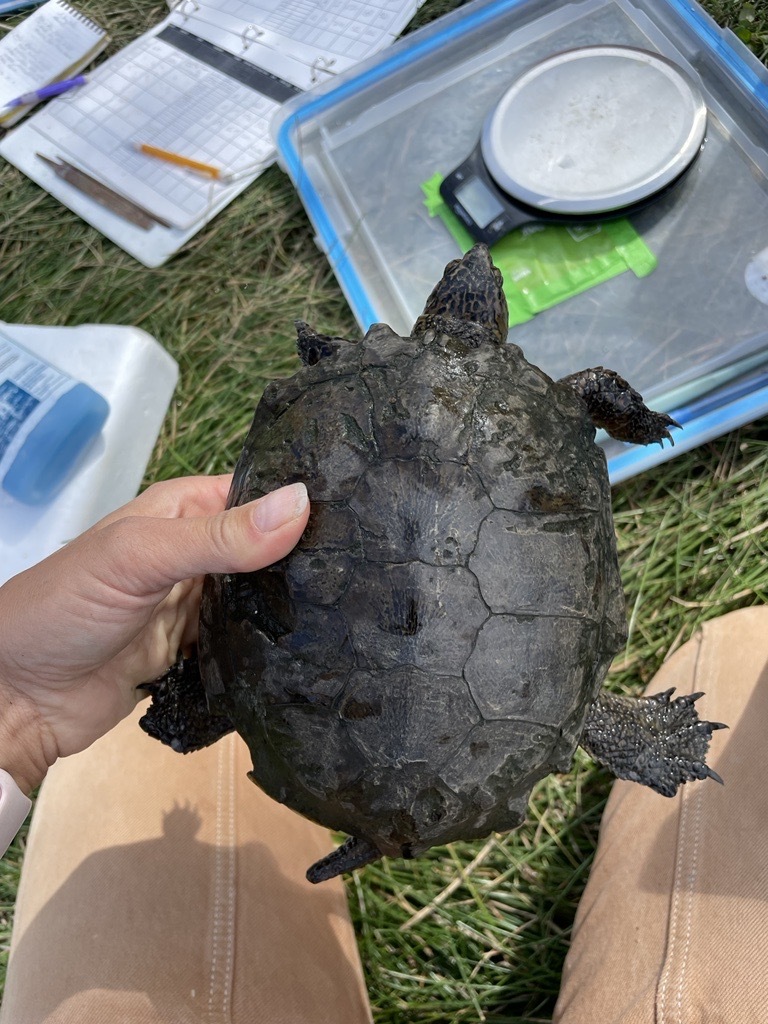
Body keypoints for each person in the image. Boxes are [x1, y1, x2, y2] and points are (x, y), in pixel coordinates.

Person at [0, 474, 764, 1023]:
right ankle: (648, 710)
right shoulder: (537, 411)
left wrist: (21, 701)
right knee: (744, 645)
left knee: (137, 750)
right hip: (495, 726)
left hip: (314, 720)